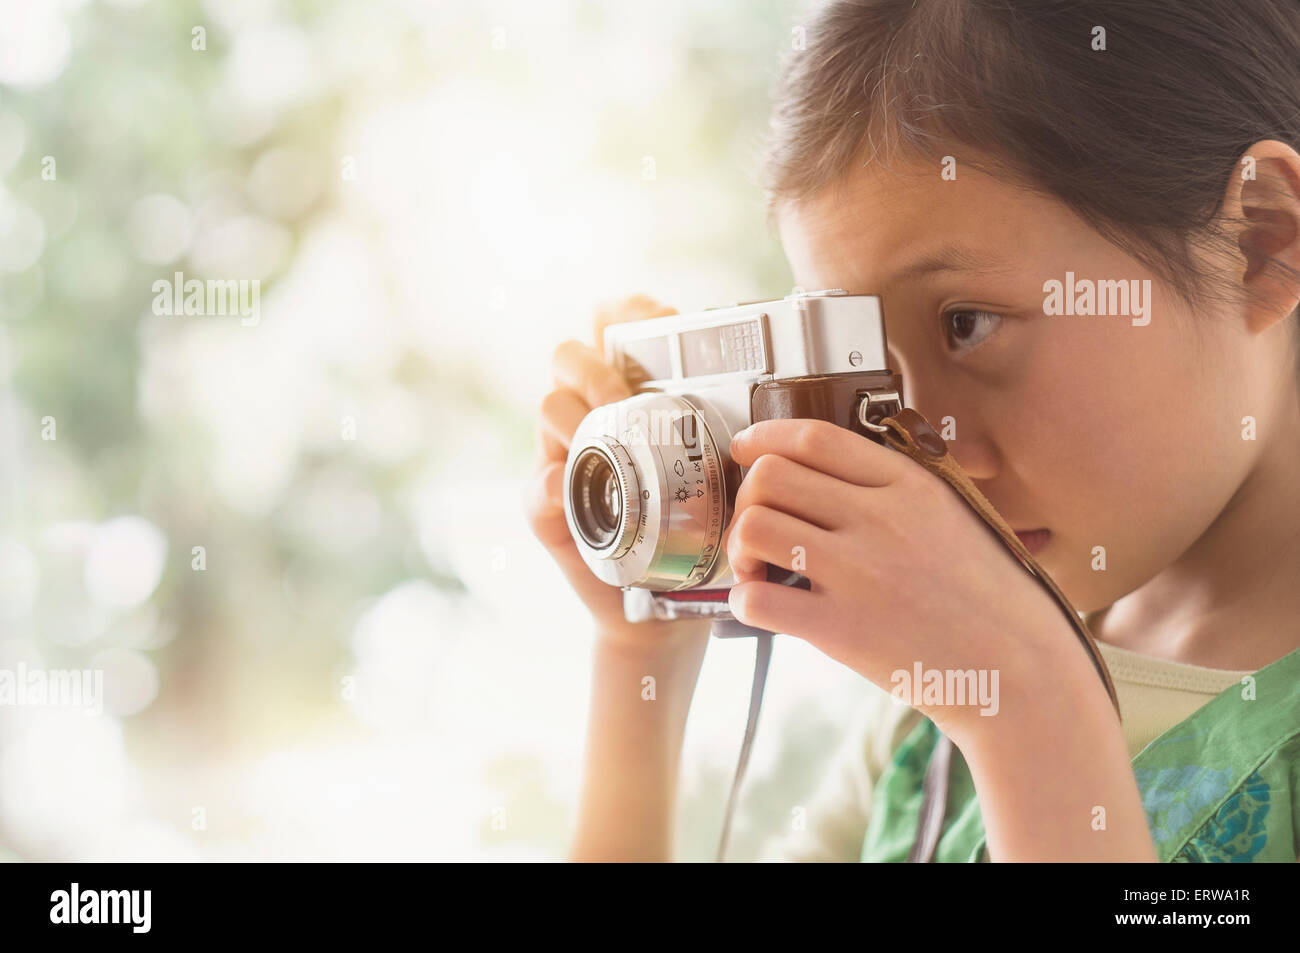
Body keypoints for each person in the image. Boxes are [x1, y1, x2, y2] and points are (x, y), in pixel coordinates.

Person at [522, 0, 1300, 862]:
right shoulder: (921, 721)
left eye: (967, 323)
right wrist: (640, 652)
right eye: (868, 367)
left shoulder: (983, 680)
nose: (920, 443)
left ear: (1262, 243)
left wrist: (1029, 709)